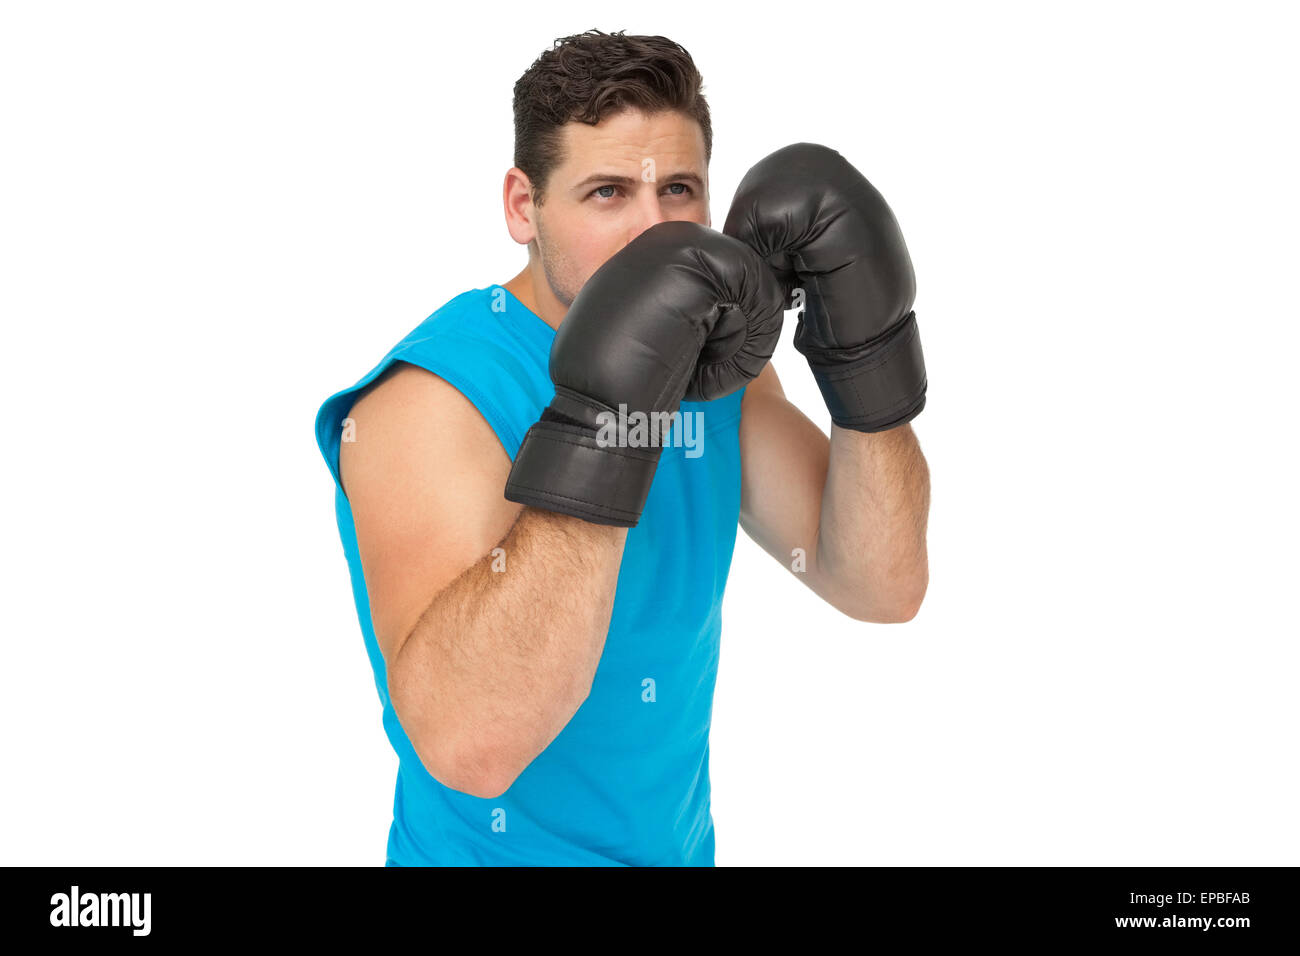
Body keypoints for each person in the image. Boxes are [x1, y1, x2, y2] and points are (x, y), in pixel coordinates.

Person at [313, 29, 931, 866]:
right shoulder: (435, 398)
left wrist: (868, 357)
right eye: (607, 193)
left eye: (678, 189)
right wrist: (608, 415)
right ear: (522, 207)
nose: (654, 230)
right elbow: (472, 748)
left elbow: (880, 582)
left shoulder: (719, 374)